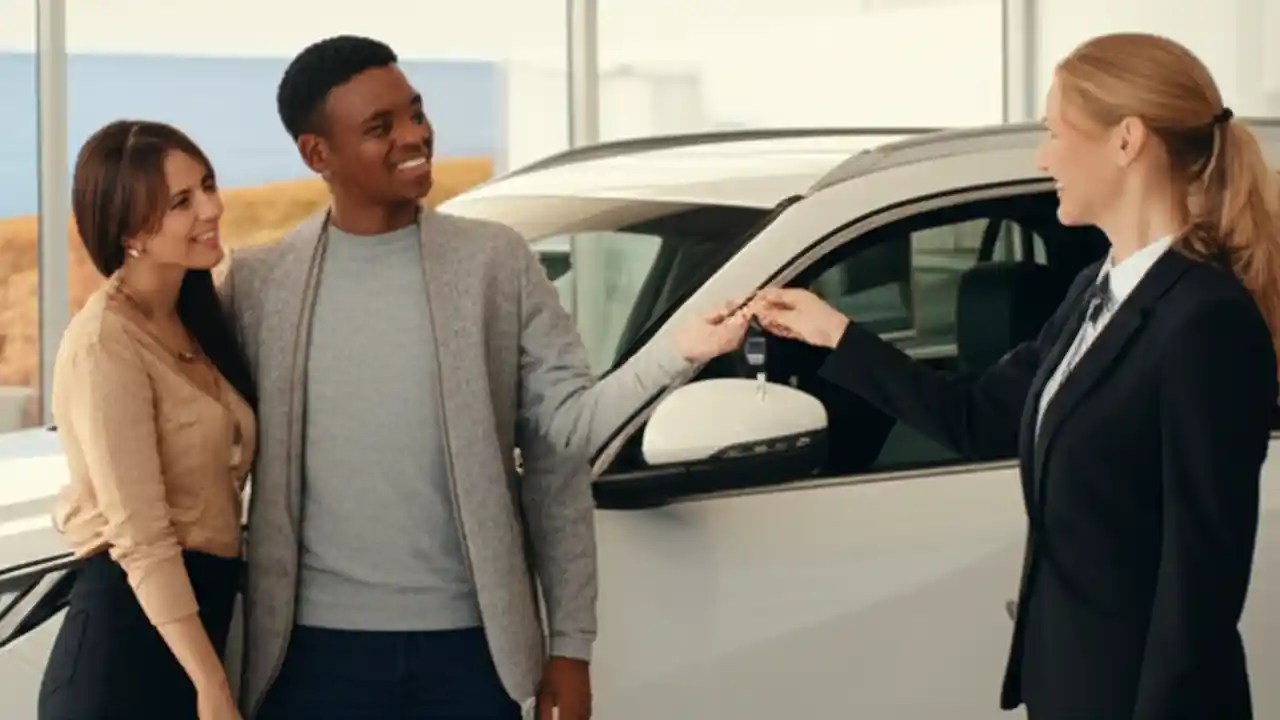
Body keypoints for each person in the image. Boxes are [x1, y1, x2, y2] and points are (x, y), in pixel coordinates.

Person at [752, 32, 1279, 720]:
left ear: (1126, 140)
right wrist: (834, 335)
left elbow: (1199, 586)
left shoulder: (1204, 321)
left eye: (1056, 133)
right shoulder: (1098, 289)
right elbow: (978, 418)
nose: (1043, 156)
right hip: (1072, 688)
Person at [218, 35, 746, 720]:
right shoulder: (259, 288)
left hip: (469, 656)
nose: (414, 136)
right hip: (309, 658)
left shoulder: (495, 265)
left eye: (415, 111)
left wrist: (571, 645)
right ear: (318, 155)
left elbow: (565, 441)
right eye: (380, 127)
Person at [38, 120, 257, 720]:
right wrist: (210, 687)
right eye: (182, 202)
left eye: (208, 186)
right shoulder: (104, 343)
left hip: (194, 633)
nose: (212, 208)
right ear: (131, 231)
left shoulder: (197, 311)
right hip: (127, 657)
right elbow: (141, 538)